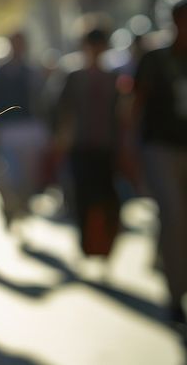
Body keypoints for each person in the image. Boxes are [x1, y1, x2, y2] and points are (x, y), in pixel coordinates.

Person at [134, 0, 187, 324]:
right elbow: (133, 108)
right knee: (173, 218)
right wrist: (129, 154)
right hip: (160, 150)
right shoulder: (154, 59)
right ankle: (175, 294)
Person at [53, 27, 123, 258]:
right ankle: (87, 244)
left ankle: (105, 243)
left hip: (106, 145)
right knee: (82, 195)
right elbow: (61, 109)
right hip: (80, 145)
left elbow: (119, 115)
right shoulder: (74, 76)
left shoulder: (114, 78)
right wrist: (61, 139)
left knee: (107, 196)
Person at [0, 31, 51, 226]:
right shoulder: (0, 72)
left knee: (28, 174)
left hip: (29, 128)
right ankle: (10, 207)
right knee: (8, 175)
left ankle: (22, 205)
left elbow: (42, 101)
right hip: (8, 129)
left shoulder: (32, 72)